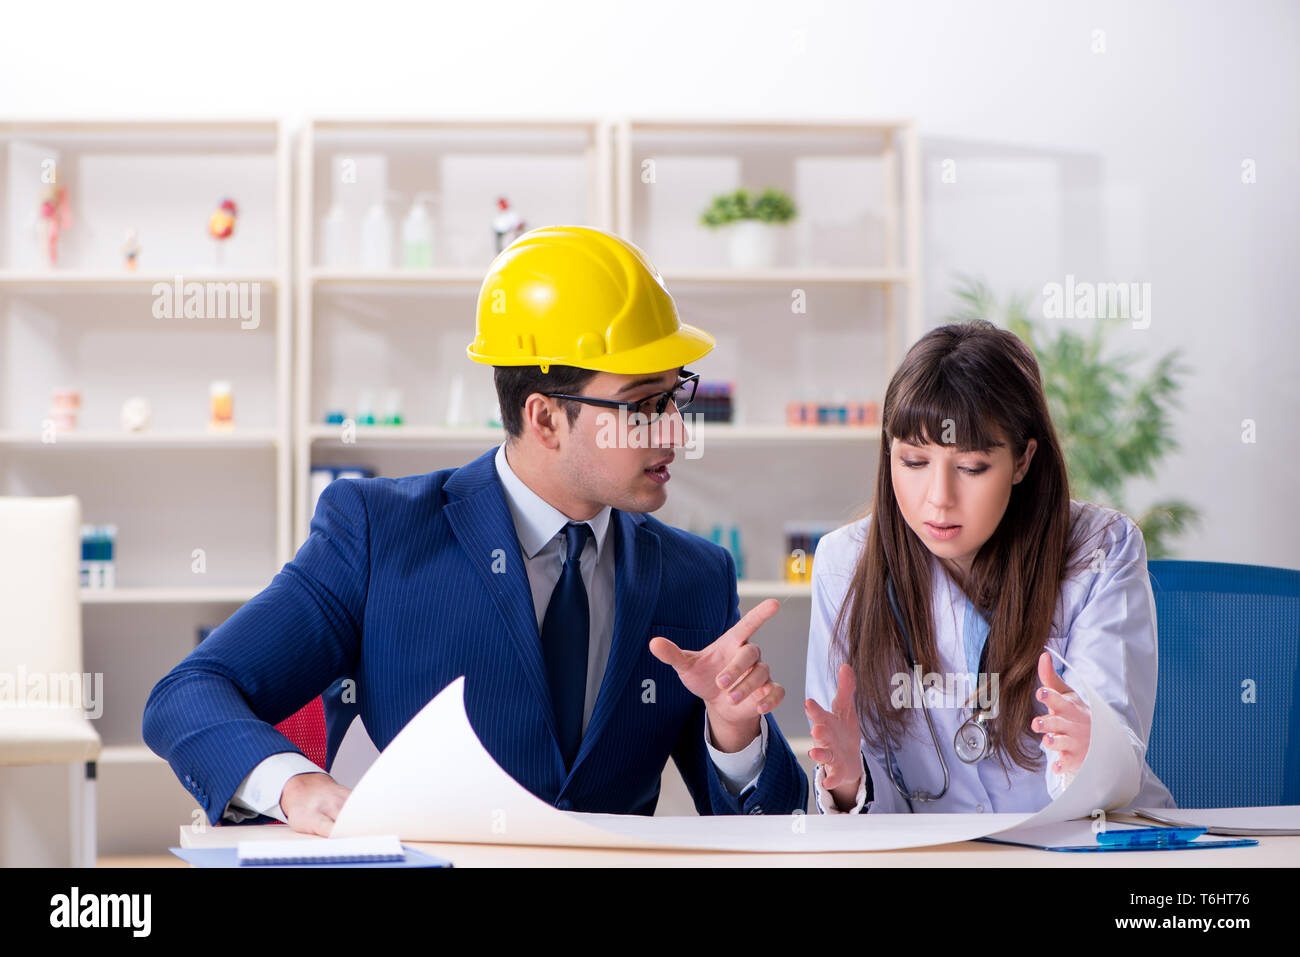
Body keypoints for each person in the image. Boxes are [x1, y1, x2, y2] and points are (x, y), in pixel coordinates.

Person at [143, 225, 808, 834]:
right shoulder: (381, 532)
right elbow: (189, 692)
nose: (672, 429)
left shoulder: (696, 575)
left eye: (675, 395)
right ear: (545, 418)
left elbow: (768, 826)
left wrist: (735, 730)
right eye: (642, 405)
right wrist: (295, 784)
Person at [804, 319, 1176, 814]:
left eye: (972, 467)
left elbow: (1109, 769)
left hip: (1078, 845)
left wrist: (1092, 752)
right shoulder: (843, 563)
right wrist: (849, 780)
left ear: (1023, 460)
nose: (938, 499)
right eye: (914, 462)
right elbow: (864, 801)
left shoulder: (1100, 549)